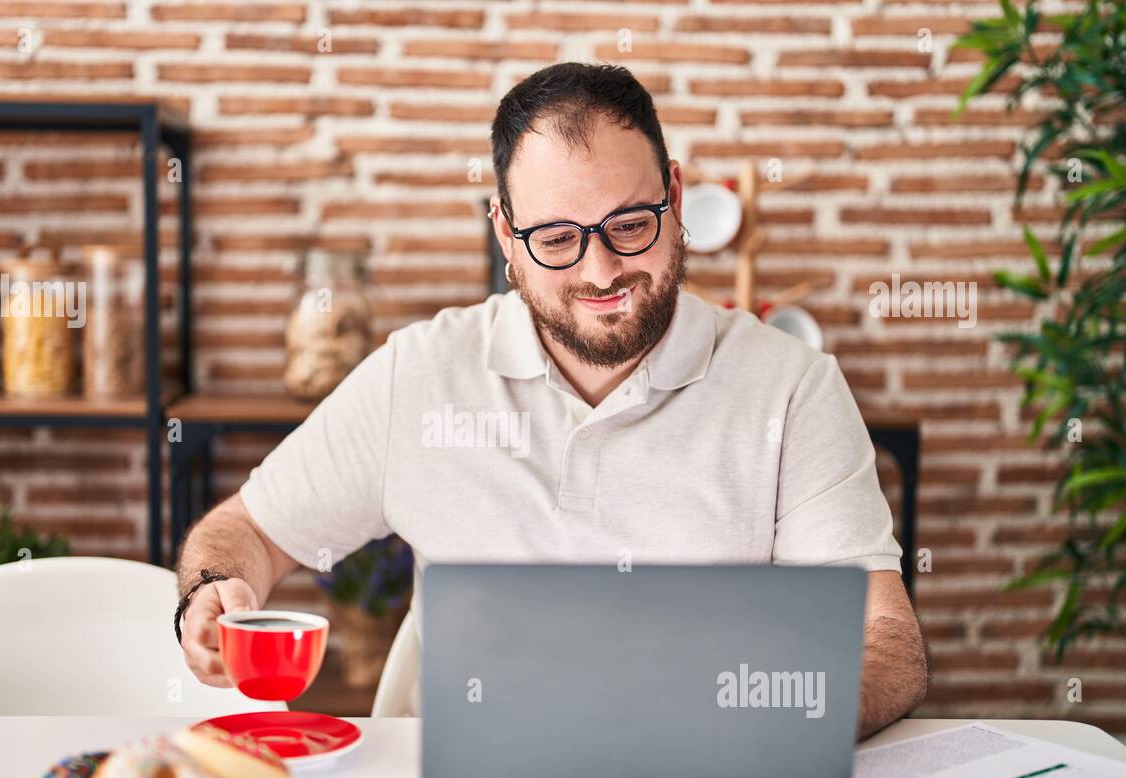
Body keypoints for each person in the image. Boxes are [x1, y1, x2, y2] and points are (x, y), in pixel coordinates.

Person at [176, 62, 928, 738]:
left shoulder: (791, 388)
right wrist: (214, 588)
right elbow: (251, 531)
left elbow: (886, 641)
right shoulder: (422, 374)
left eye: (630, 225)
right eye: (557, 239)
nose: (602, 271)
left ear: (674, 195)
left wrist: (771, 729)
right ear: (505, 234)